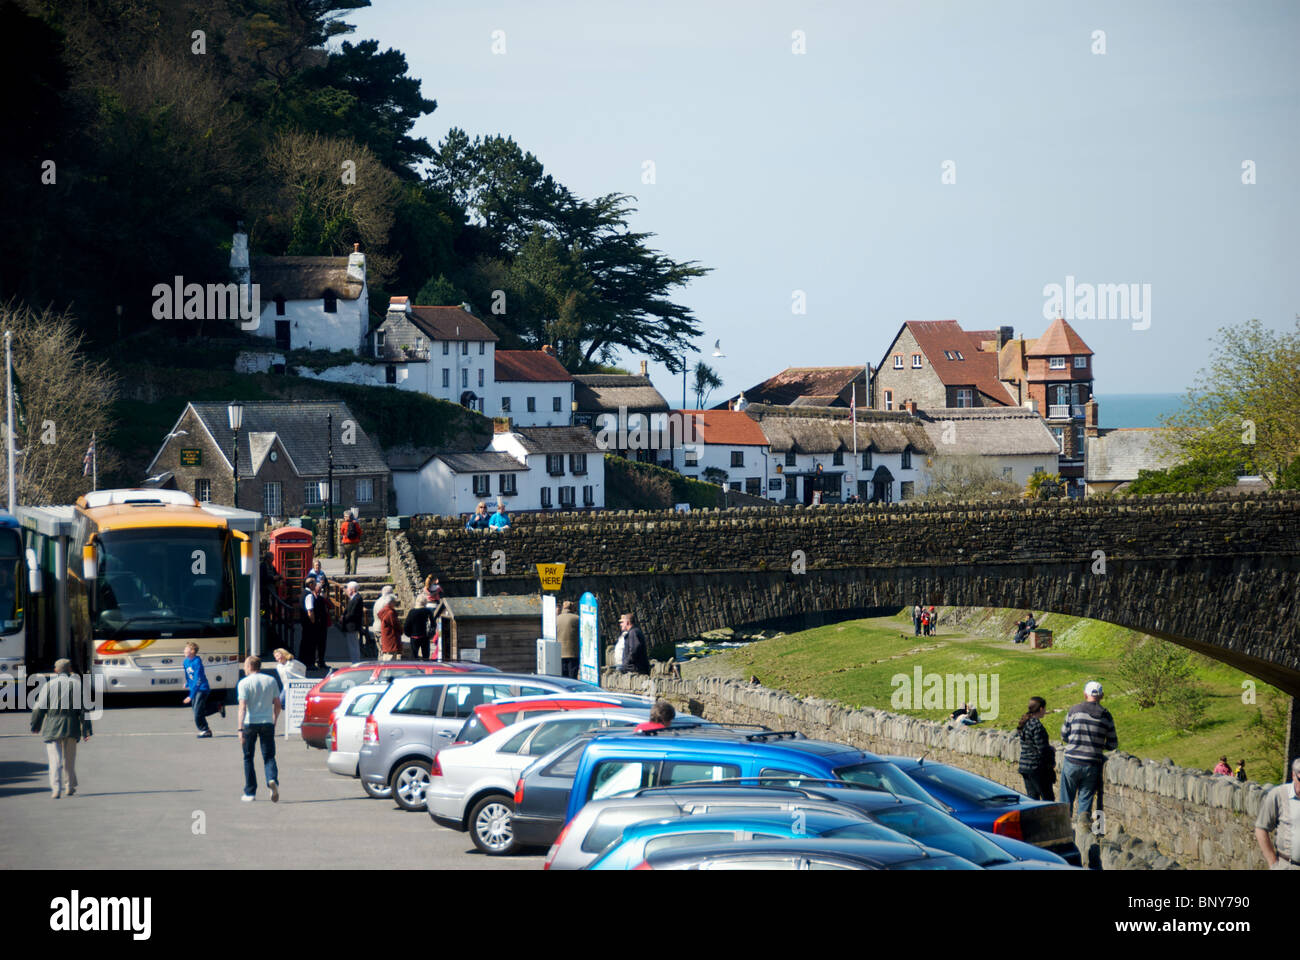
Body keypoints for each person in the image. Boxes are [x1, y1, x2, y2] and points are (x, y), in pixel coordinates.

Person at [30, 659, 92, 799]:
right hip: (71, 726)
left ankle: (56, 789)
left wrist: (36, 724)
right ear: (70, 669)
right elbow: (84, 710)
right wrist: (86, 730)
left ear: (55, 670)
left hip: (52, 726)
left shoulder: (48, 685)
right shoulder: (77, 685)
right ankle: (69, 787)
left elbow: (39, 708)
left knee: (54, 759)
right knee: (69, 759)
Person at [1059, 680, 1118, 822]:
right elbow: (1112, 743)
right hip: (1092, 763)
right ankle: (1082, 832)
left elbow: (1064, 735)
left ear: (1085, 694)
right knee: (1085, 801)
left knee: (1066, 801)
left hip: (1072, 760)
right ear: (1101, 696)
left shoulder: (1074, 710)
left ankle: (1064, 830)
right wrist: (1098, 746)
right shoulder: (1106, 715)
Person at [236, 656, 281, 802]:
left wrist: (239, 728)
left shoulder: (244, 683)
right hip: (267, 721)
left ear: (249, 666)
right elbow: (277, 703)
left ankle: (250, 792)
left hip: (250, 723)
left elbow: (242, 707)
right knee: (269, 756)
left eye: (245, 665)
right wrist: (274, 719)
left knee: (248, 757)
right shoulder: (271, 680)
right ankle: (271, 779)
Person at [1255, 758, 1300, 870]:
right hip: (1288, 866)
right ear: (1293, 775)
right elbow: (1261, 828)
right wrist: (1273, 863)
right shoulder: (1279, 795)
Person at [182, 641, 226, 737]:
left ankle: (205, 730)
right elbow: (189, 676)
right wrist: (188, 683)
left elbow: (198, 679)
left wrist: (191, 696)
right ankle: (217, 706)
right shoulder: (185, 661)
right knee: (198, 711)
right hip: (195, 688)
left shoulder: (197, 662)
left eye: (186, 649)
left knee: (197, 712)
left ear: (192, 651)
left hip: (202, 689)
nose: (184, 650)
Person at [1017, 696, 1055, 800]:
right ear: (1041, 709)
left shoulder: (1025, 722)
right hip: (1037, 768)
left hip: (1025, 766)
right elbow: (1042, 750)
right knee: (1048, 799)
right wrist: (1051, 750)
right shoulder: (1036, 725)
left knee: (1032, 799)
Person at [340, 581, 366, 663]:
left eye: (348, 589)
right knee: (353, 645)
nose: (347, 590)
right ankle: (355, 662)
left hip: (352, 625)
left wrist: (343, 618)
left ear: (353, 590)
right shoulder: (354, 598)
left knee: (353, 646)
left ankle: (355, 662)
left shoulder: (357, 599)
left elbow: (352, 613)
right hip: (351, 625)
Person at [556, 600, 580, 678]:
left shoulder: (556, 619)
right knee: (572, 676)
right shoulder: (577, 618)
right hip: (573, 653)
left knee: (564, 677)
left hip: (560, 653)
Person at [340, 509, 362, 576]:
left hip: (346, 543)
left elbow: (342, 532)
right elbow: (360, 532)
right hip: (355, 542)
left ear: (348, 517)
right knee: (354, 558)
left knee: (347, 557)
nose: (344, 517)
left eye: (345, 516)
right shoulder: (355, 523)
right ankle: (353, 572)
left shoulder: (344, 524)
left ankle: (347, 571)